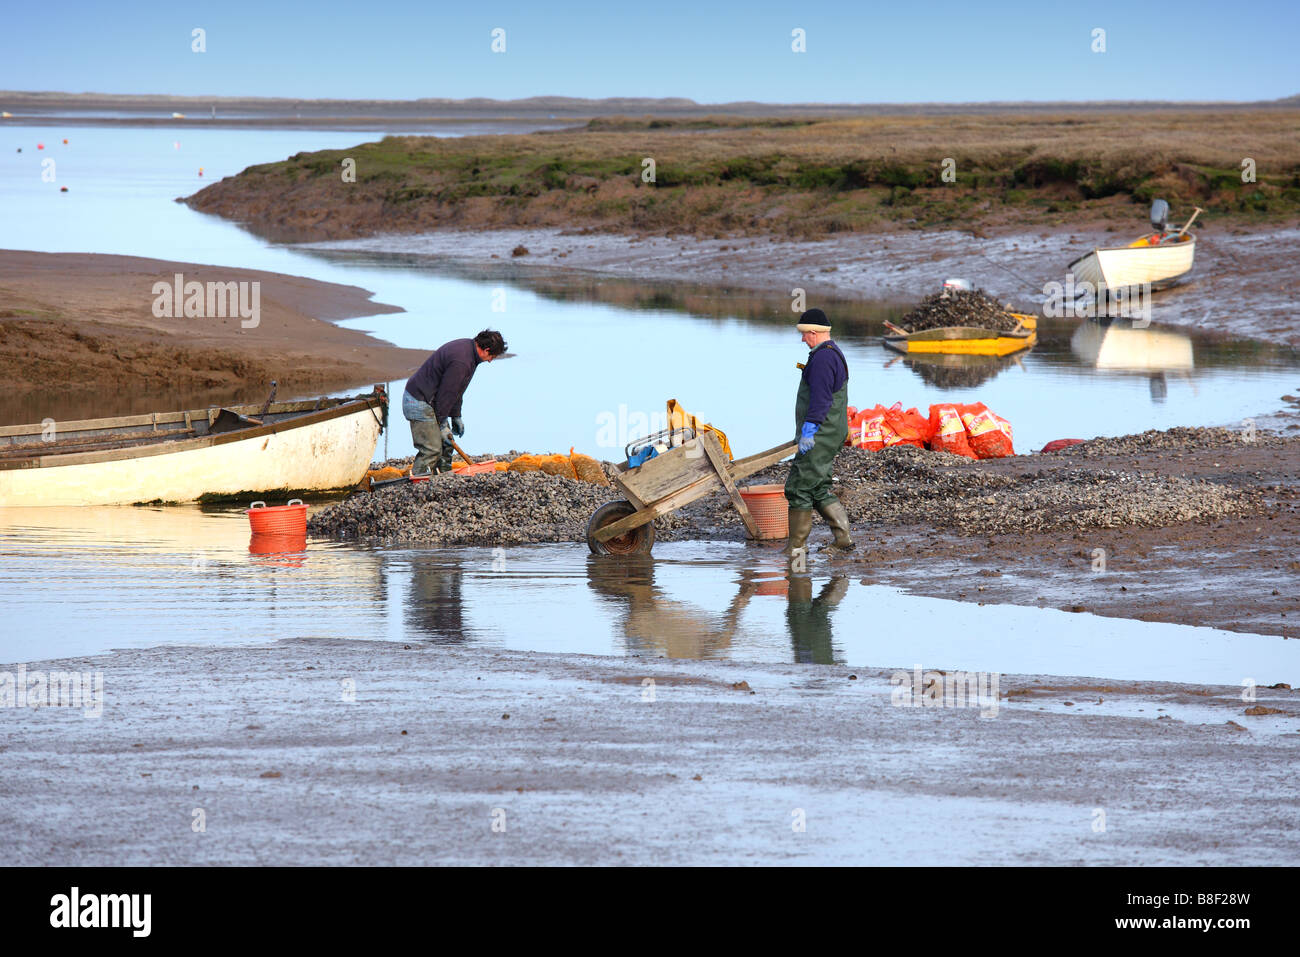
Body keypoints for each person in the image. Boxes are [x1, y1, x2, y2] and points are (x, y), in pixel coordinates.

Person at [785, 308, 854, 554]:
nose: (802, 339)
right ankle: (843, 539)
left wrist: (809, 430)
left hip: (821, 434)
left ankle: (796, 549)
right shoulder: (831, 353)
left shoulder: (823, 359)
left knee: (798, 487)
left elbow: (822, 400)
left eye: (804, 335)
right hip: (831, 431)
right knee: (817, 487)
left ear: (813, 333)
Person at [402, 329, 506, 475]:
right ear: (486, 349)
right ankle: (418, 484)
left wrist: (456, 415)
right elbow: (447, 393)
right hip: (418, 400)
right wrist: (442, 423)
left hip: (430, 400)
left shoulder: (470, 352)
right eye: (492, 356)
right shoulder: (462, 361)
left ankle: (444, 478)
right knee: (431, 449)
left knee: (446, 444)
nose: (490, 361)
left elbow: (457, 390)